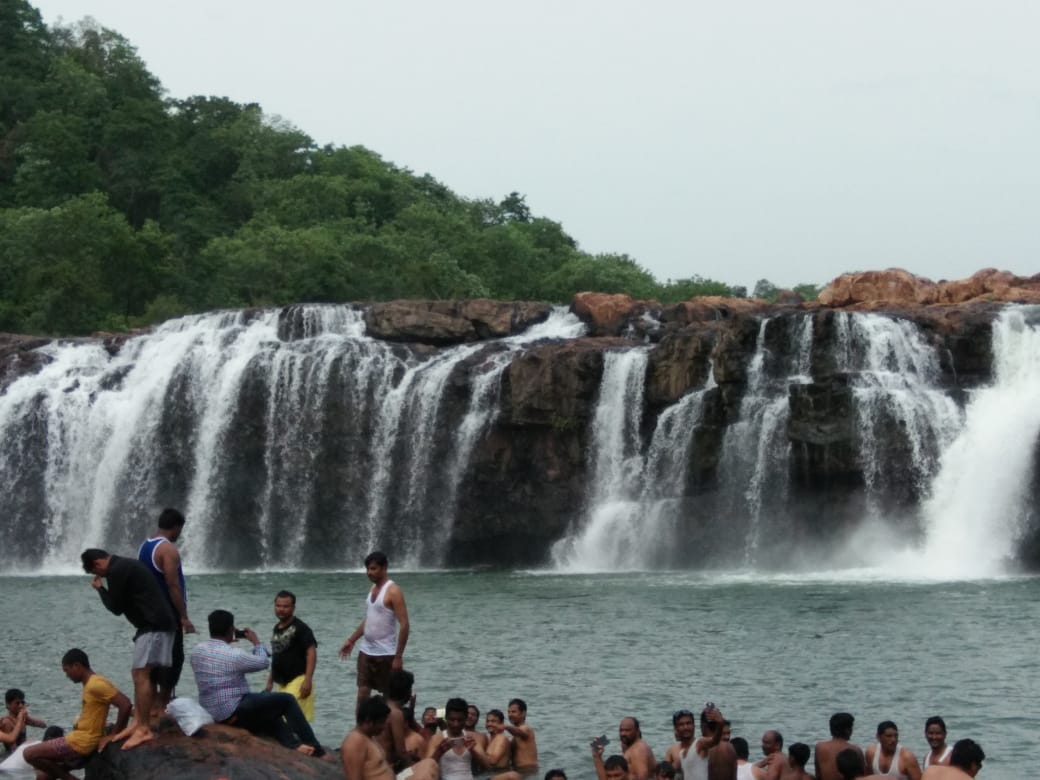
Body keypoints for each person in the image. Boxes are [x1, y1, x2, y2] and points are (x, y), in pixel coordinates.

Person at [190, 608, 325, 756]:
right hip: (233, 710)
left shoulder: (197, 651)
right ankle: (316, 748)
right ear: (231, 629)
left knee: (269, 711)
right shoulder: (234, 655)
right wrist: (256, 643)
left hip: (212, 711)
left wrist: (228, 641)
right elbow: (262, 663)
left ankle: (294, 745)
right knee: (286, 700)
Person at [81, 547, 177, 750]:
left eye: (95, 572)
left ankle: (143, 728)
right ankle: (139, 724)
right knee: (144, 674)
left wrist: (100, 589)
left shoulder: (116, 570)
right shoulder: (125, 565)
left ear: (97, 564)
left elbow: (116, 608)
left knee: (140, 673)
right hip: (157, 625)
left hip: (153, 626)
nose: (98, 576)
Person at [23, 649, 132, 780]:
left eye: (67, 670)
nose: (67, 675)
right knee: (43, 777)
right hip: (79, 739)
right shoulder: (92, 683)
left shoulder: (95, 684)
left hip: (81, 743)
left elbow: (125, 704)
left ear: (77, 666)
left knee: (28, 754)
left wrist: (115, 734)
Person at [138, 507, 195, 710]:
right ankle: (163, 704)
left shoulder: (144, 546)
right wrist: (183, 616)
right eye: (181, 529)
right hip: (167, 613)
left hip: (149, 613)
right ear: (176, 527)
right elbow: (172, 585)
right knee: (174, 658)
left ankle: (153, 704)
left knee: (153, 660)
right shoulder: (168, 550)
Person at [339, 551, 410, 703]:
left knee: (389, 697)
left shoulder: (393, 591)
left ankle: (387, 726)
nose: (369, 573)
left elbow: (404, 624)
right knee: (362, 695)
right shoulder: (372, 588)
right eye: (368, 569)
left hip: (386, 653)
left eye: (373, 569)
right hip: (366, 651)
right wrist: (351, 640)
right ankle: (360, 726)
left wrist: (398, 656)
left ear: (384, 568)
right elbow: (370, 619)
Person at [264, 590, 318, 721]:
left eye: (285, 606)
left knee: (292, 720)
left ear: (293, 608)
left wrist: (308, 680)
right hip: (282, 682)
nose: (281, 609)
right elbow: (277, 655)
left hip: (298, 680)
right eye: (278, 606)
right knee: (282, 719)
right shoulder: (277, 628)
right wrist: (270, 681)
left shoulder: (301, 628)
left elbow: (311, 652)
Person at [342, 696, 394, 780]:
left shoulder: (369, 737)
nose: (384, 727)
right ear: (368, 721)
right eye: (381, 722)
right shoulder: (355, 741)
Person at [426, 697, 477, 780]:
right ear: (446, 718)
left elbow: (487, 765)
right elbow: (426, 768)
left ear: (465, 719)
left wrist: (473, 750)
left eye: (460, 720)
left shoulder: (471, 737)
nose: (455, 724)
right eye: (452, 720)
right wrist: (439, 752)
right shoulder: (436, 738)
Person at [815, 713, 863, 780]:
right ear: (847, 730)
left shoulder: (820, 747)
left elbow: (818, 775)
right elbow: (862, 776)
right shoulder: (856, 750)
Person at [685, 705, 727, 780]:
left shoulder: (700, 744)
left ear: (702, 726)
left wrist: (720, 724)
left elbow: (714, 741)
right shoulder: (729, 748)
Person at [1, 689, 47, 755]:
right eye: (17, 703)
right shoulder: (7, 722)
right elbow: (13, 749)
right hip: (10, 756)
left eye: (22, 702)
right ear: (8, 705)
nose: (20, 706)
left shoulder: (23, 718)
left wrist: (27, 717)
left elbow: (43, 725)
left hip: (22, 751)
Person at [504, 698, 538, 773]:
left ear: (523, 713)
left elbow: (520, 732)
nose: (510, 715)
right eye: (508, 712)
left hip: (528, 771)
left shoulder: (526, 728)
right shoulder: (514, 736)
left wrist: (505, 727)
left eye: (513, 712)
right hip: (520, 771)